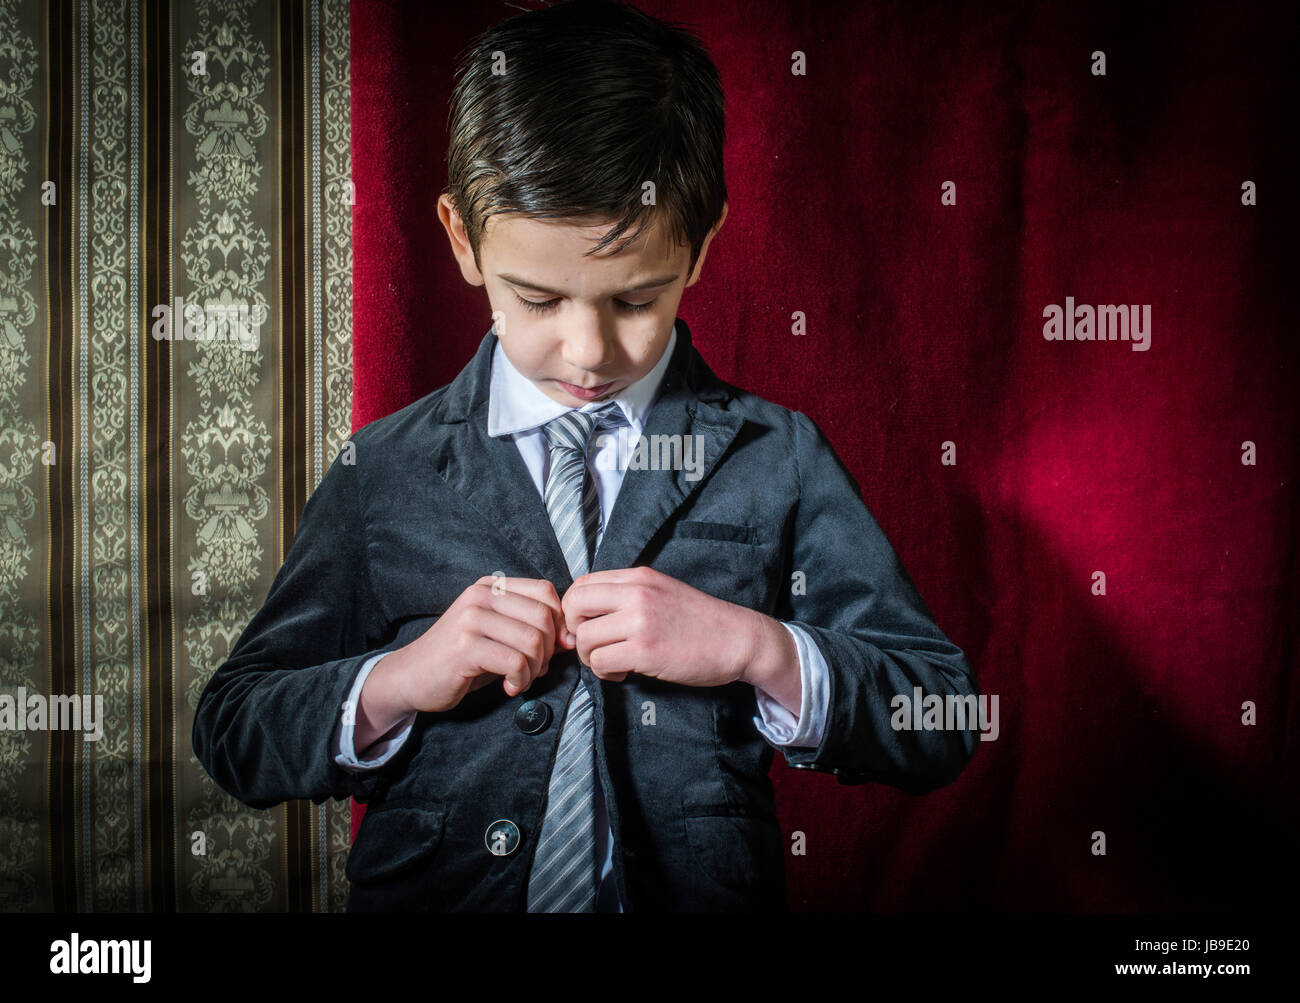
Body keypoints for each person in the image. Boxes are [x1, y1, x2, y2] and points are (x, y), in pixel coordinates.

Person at [192, 0, 979, 912]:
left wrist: (758, 648)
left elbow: (942, 715)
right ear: (461, 241)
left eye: (635, 299)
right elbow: (235, 727)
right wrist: (402, 677)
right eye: (538, 299)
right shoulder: (384, 469)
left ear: (703, 244)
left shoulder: (779, 454)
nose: (588, 351)